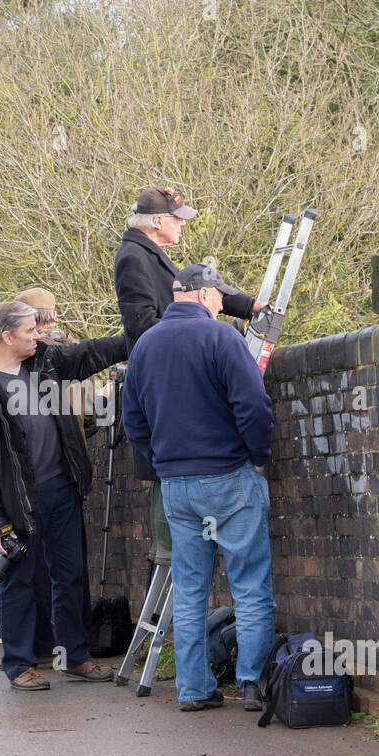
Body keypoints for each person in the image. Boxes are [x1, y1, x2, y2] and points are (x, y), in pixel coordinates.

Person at [121, 263, 276, 712]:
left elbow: (135, 422)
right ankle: (252, 682)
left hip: (176, 487)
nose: (223, 302)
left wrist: (164, 464)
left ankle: (193, 688)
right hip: (229, 478)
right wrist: (257, 455)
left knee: (189, 589)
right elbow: (253, 405)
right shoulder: (222, 337)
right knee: (249, 584)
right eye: (220, 296)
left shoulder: (145, 346)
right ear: (206, 296)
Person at [0, 301, 127, 690]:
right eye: (30, 331)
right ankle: (19, 665)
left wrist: (137, 333)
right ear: (6, 336)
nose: (39, 336)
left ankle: (75, 657)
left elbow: (89, 354)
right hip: (18, 498)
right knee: (21, 581)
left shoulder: (45, 362)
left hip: (61, 485)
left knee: (71, 575)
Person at [113, 186, 266, 602]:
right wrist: (205, 339)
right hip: (177, 433)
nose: (183, 224)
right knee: (174, 554)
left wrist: (248, 306)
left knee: (187, 567)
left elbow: (199, 292)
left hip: (174, 445)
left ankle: (177, 649)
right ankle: (164, 638)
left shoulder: (148, 254)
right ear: (158, 221)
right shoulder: (132, 259)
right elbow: (143, 325)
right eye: (177, 217)